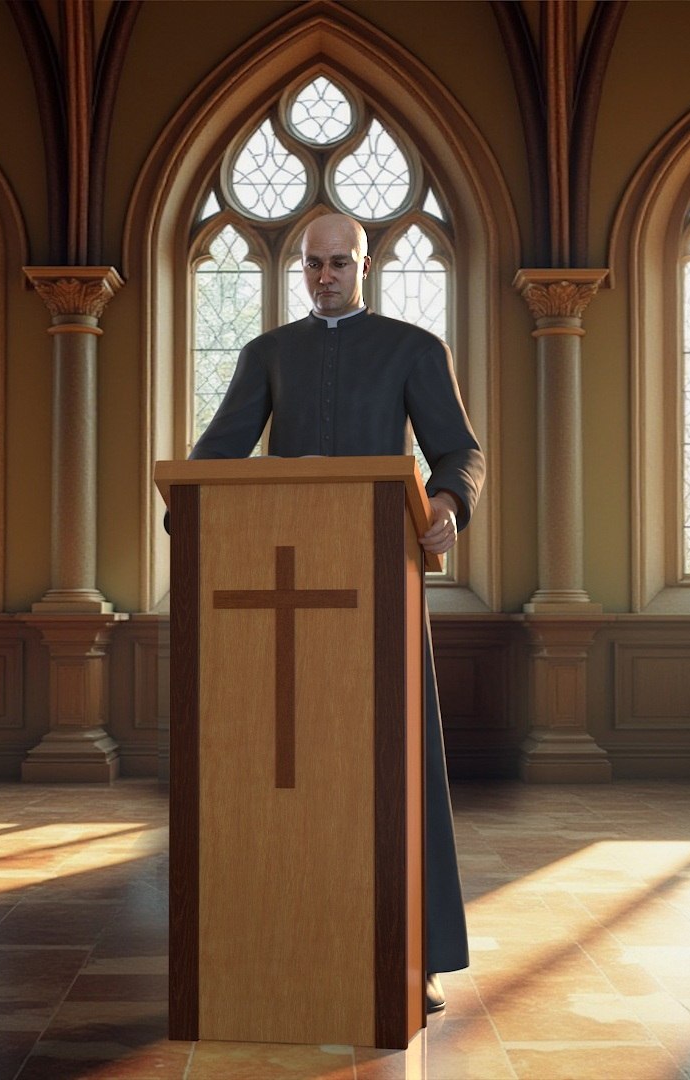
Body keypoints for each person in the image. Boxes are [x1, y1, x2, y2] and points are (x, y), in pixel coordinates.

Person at [189, 211, 483, 1013]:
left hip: (382, 584)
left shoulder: (413, 349)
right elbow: (213, 460)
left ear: (365, 264)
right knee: (285, 777)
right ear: (300, 270)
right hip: (278, 598)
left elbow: (459, 449)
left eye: (339, 264)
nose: (325, 277)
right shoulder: (268, 356)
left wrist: (450, 504)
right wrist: (199, 512)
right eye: (313, 266)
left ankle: (411, 955)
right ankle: (277, 945)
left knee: (398, 773)